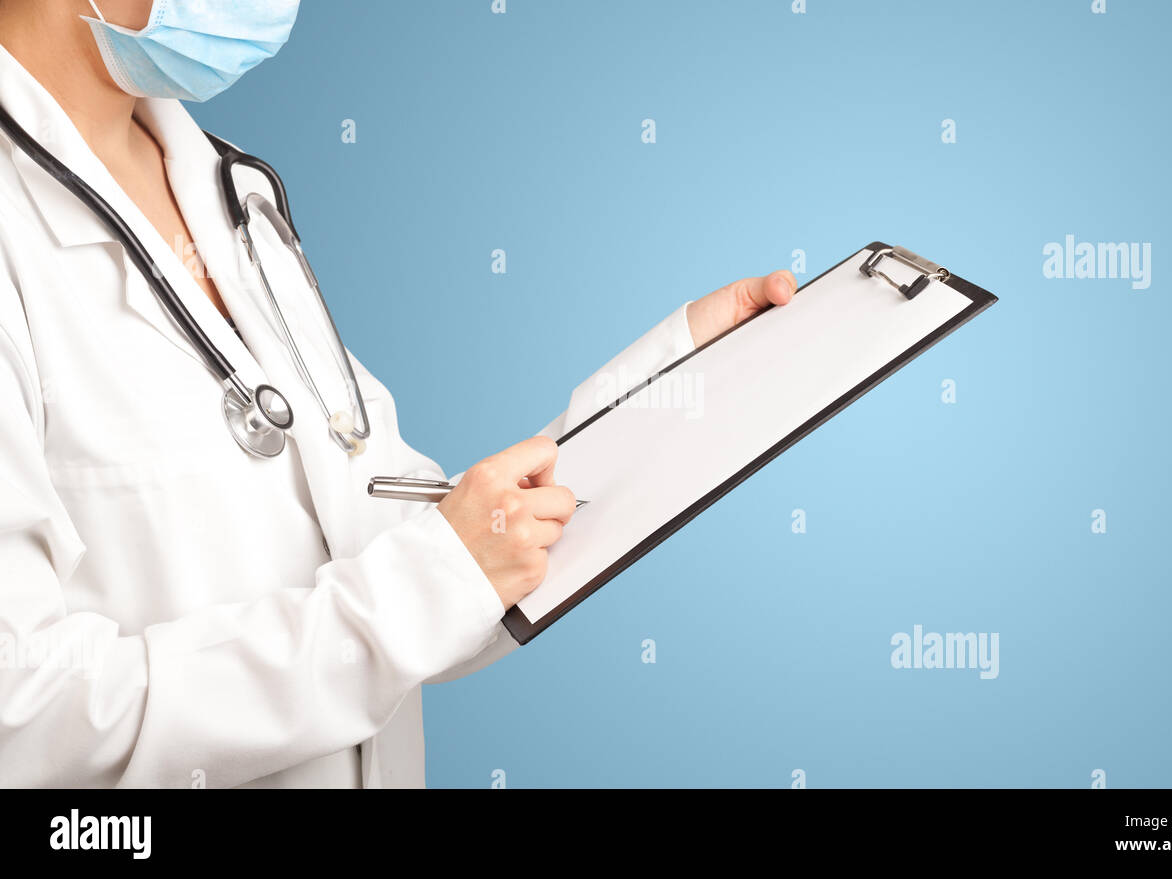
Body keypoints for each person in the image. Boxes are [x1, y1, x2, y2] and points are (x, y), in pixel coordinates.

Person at [0, 0, 795, 788]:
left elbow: (414, 554)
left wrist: (666, 387)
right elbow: (27, 717)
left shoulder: (226, 189)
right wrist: (430, 586)